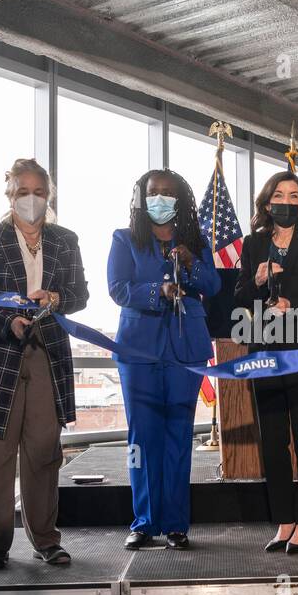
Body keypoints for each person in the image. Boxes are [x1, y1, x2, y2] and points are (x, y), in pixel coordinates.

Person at [0, 159, 88, 569]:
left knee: (44, 452)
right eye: (22, 191)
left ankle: (46, 539)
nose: (32, 199)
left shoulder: (66, 240)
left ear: (49, 195)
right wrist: (6, 319)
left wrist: (57, 299)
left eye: (39, 191)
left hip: (46, 354)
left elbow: (80, 294)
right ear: (9, 194)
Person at [108, 169, 220, 550]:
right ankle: (143, 521)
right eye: (153, 192)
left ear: (181, 200)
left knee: (178, 437)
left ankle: (175, 524)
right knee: (142, 439)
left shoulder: (195, 242)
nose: (160, 198)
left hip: (185, 349)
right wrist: (158, 290)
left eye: (168, 193)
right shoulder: (124, 239)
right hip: (138, 351)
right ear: (142, 197)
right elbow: (118, 288)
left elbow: (213, 286)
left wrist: (189, 263)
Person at [234, 171, 298, 555]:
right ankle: (285, 521)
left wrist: (292, 304)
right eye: (279, 194)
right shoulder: (252, 244)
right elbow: (239, 300)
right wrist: (257, 282)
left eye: (294, 196)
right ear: (267, 202)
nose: (286, 201)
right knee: (273, 443)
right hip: (264, 356)